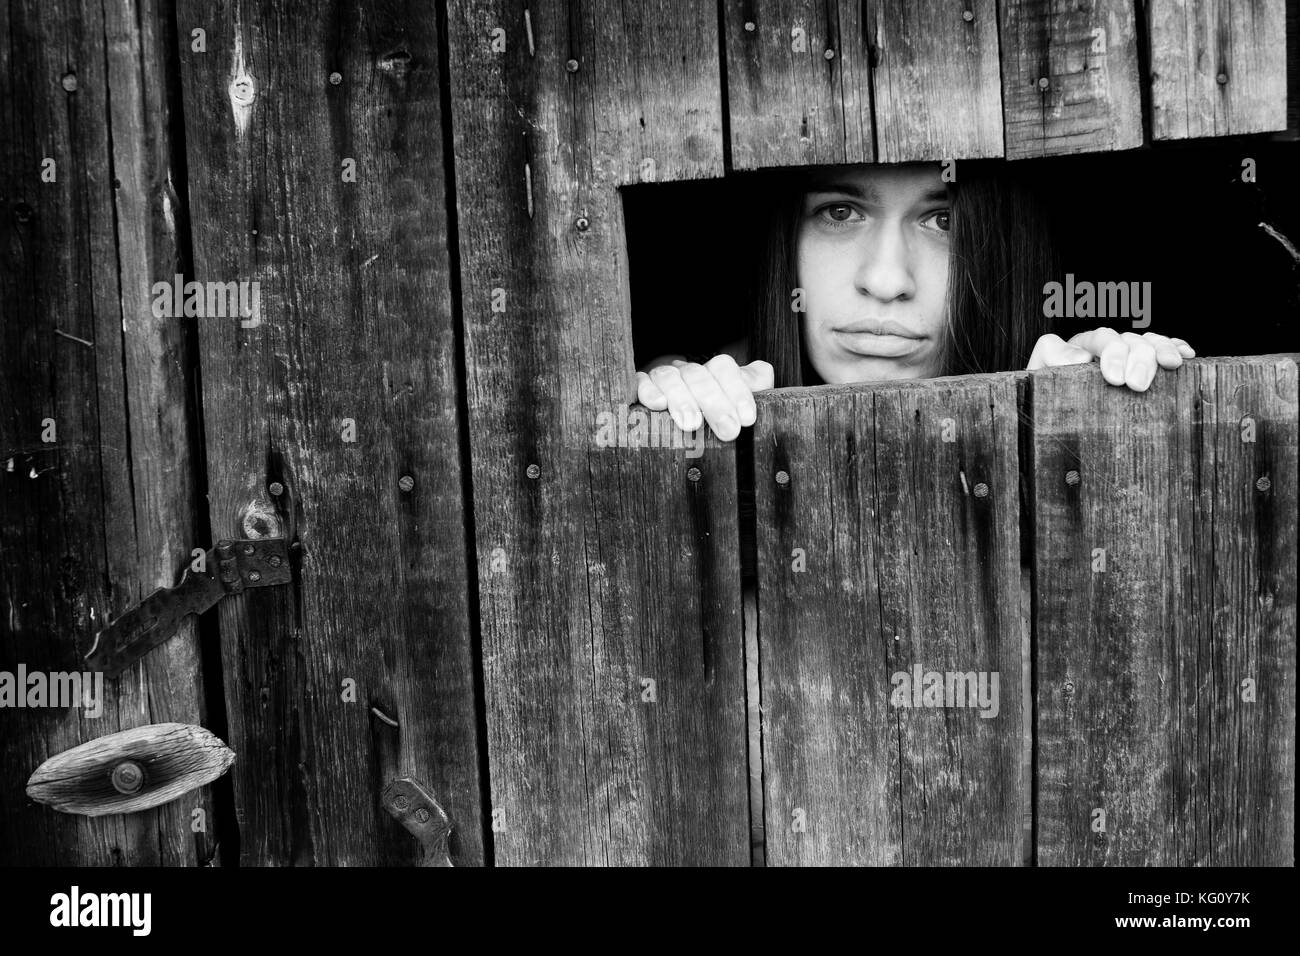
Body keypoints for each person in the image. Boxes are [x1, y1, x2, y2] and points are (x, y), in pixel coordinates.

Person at [635, 161, 1194, 437]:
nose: (885, 280)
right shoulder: (726, 376)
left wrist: (1080, 407)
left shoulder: (1048, 372)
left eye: (942, 221)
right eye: (839, 212)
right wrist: (671, 391)